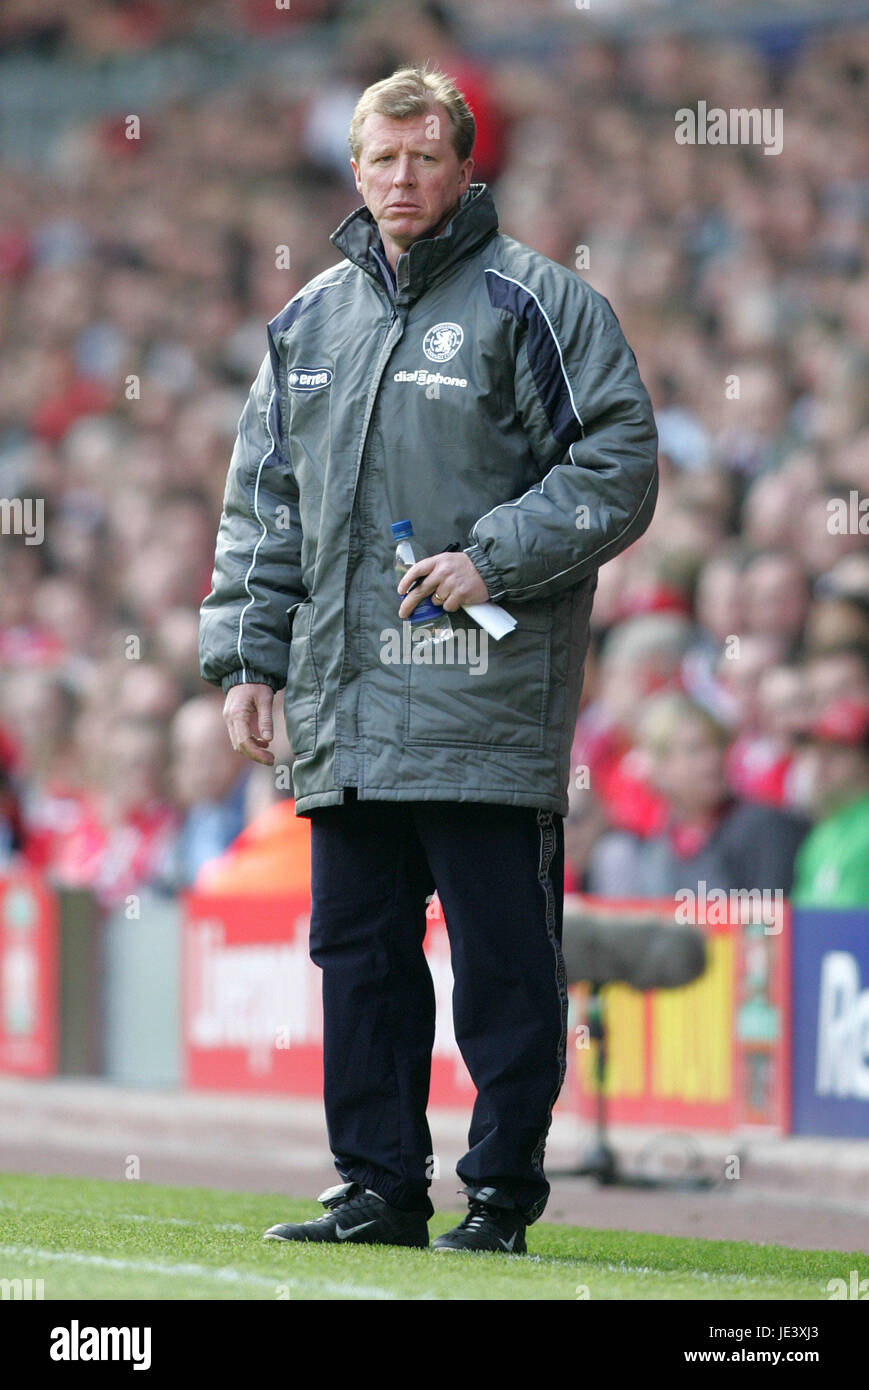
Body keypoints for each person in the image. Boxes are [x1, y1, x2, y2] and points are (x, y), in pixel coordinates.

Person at [199, 66, 658, 1254]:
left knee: (501, 962)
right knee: (357, 954)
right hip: (342, 700)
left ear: (463, 168)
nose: (401, 178)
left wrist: (489, 558)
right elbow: (263, 505)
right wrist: (249, 657)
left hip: (479, 694)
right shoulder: (306, 322)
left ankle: (499, 1197)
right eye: (381, 158)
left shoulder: (537, 301)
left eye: (424, 157)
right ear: (352, 170)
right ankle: (376, 1189)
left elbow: (617, 464)